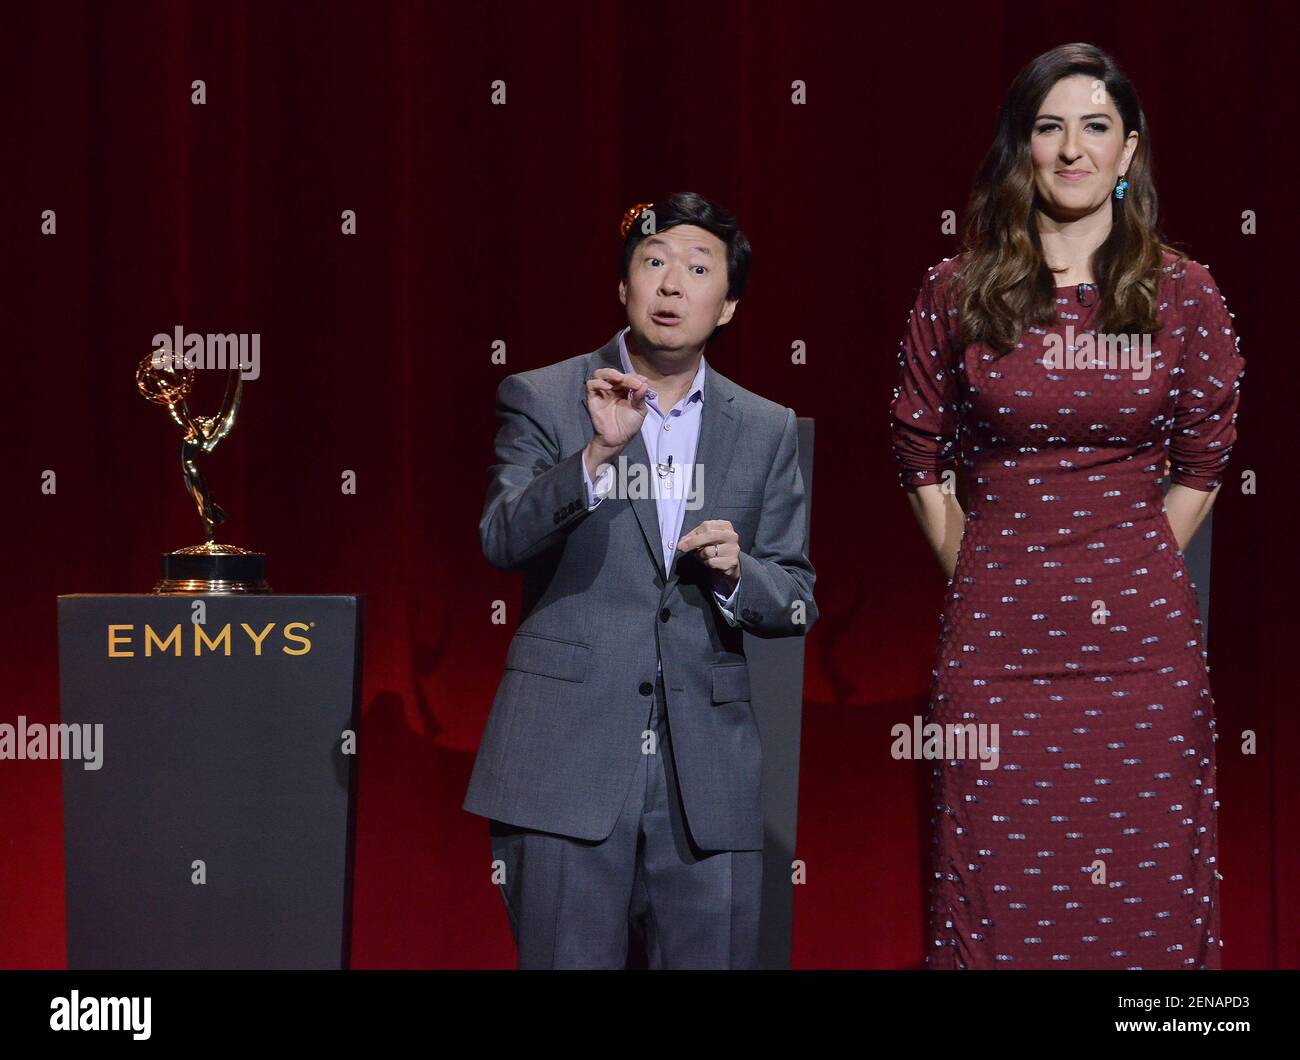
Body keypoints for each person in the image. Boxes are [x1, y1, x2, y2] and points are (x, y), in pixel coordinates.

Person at [890, 43, 1244, 969]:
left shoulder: (1186, 293)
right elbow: (918, 449)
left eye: (1097, 127)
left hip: (1143, 651)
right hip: (999, 645)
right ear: (1023, 147)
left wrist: (1130, 558)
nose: (1073, 149)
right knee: (998, 886)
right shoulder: (954, 290)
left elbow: (1206, 457)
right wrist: (983, 567)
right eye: (1050, 128)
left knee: (1153, 886)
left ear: (1129, 153)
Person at [465, 190, 817, 968]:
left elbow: (795, 596)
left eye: (698, 269)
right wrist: (593, 458)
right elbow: (501, 536)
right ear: (624, 288)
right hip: (567, 760)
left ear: (725, 305)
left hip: (707, 778)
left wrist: (736, 572)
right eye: (652, 264)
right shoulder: (546, 396)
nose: (670, 285)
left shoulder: (763, 429)